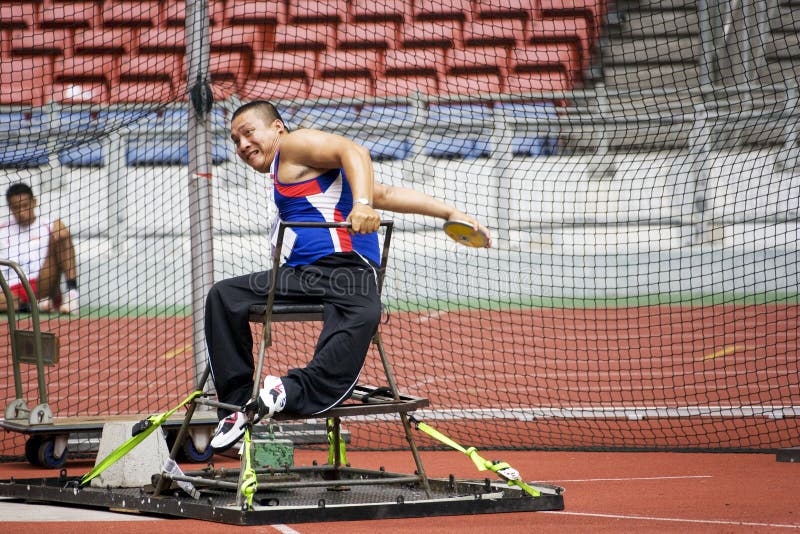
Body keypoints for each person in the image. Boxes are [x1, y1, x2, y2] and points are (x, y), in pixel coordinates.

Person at [207, 100, 491, 450]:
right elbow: (383, 191)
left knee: (364, 312)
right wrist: (447, 210)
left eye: (248, 133)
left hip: (345, 271)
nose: (243, 145)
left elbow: (352, 151)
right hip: (301, 275)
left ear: (277, 127)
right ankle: (237, 408)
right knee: (224, 295)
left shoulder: (293, 146)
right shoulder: (289, 170)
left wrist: (364, 204)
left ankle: (287, 390)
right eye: (236, 141)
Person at [0, 183, 79, 315]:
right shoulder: (2, 229)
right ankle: (32, 307)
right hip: (9, 290)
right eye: (16, 208)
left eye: (25, 206)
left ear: (34, 202)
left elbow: (62, 236)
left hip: (41, 284)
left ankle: (72, 294)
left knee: (62, 235)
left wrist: (58, 228)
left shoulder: (49, 225)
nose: (21, 212)